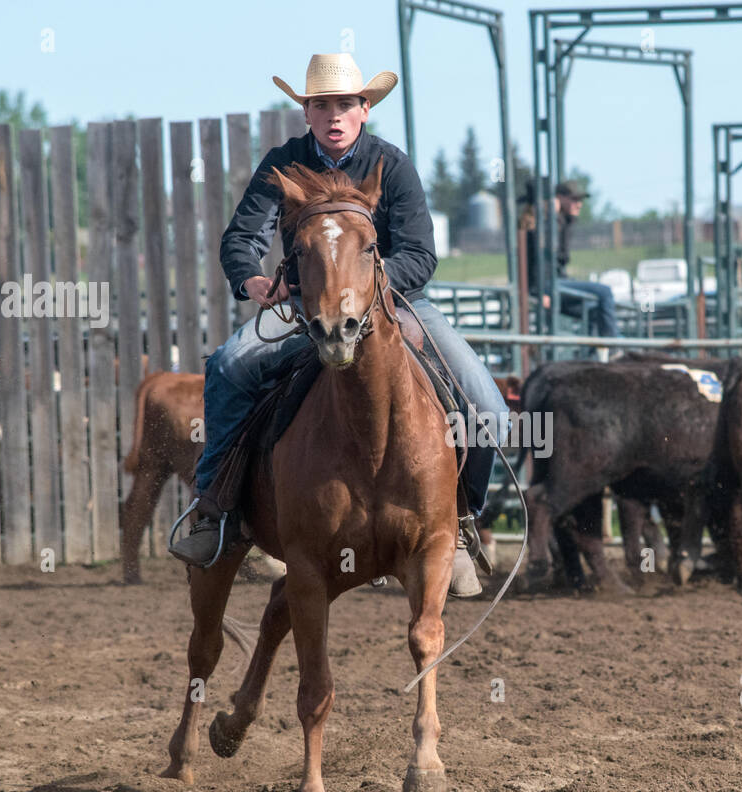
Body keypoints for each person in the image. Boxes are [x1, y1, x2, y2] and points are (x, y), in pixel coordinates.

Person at [169, 53, 508, 598]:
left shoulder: (391, 166)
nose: (333, 114)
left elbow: (420, 254)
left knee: (490, 411)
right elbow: (242, 237)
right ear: (306, 112)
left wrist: (362, 287)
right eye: (320, 104)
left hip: (399, 304)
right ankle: (215, 510)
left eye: (344, 104)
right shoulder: (282, 166)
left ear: (365, 109)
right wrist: (251, 280)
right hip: (304, 306)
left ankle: (462, 521)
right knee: (229, 366)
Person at [525, 180, 619, 339]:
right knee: (605, 292)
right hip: (547, 284)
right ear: (559, 199)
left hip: (554, 281)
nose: (579, 204)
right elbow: (541, 259)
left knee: (595, 311)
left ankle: (597, 354)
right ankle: (614, 344)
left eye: (580, 200)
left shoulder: (559, 222)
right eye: (574, 199)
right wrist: (541, 291)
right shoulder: (548, 224)